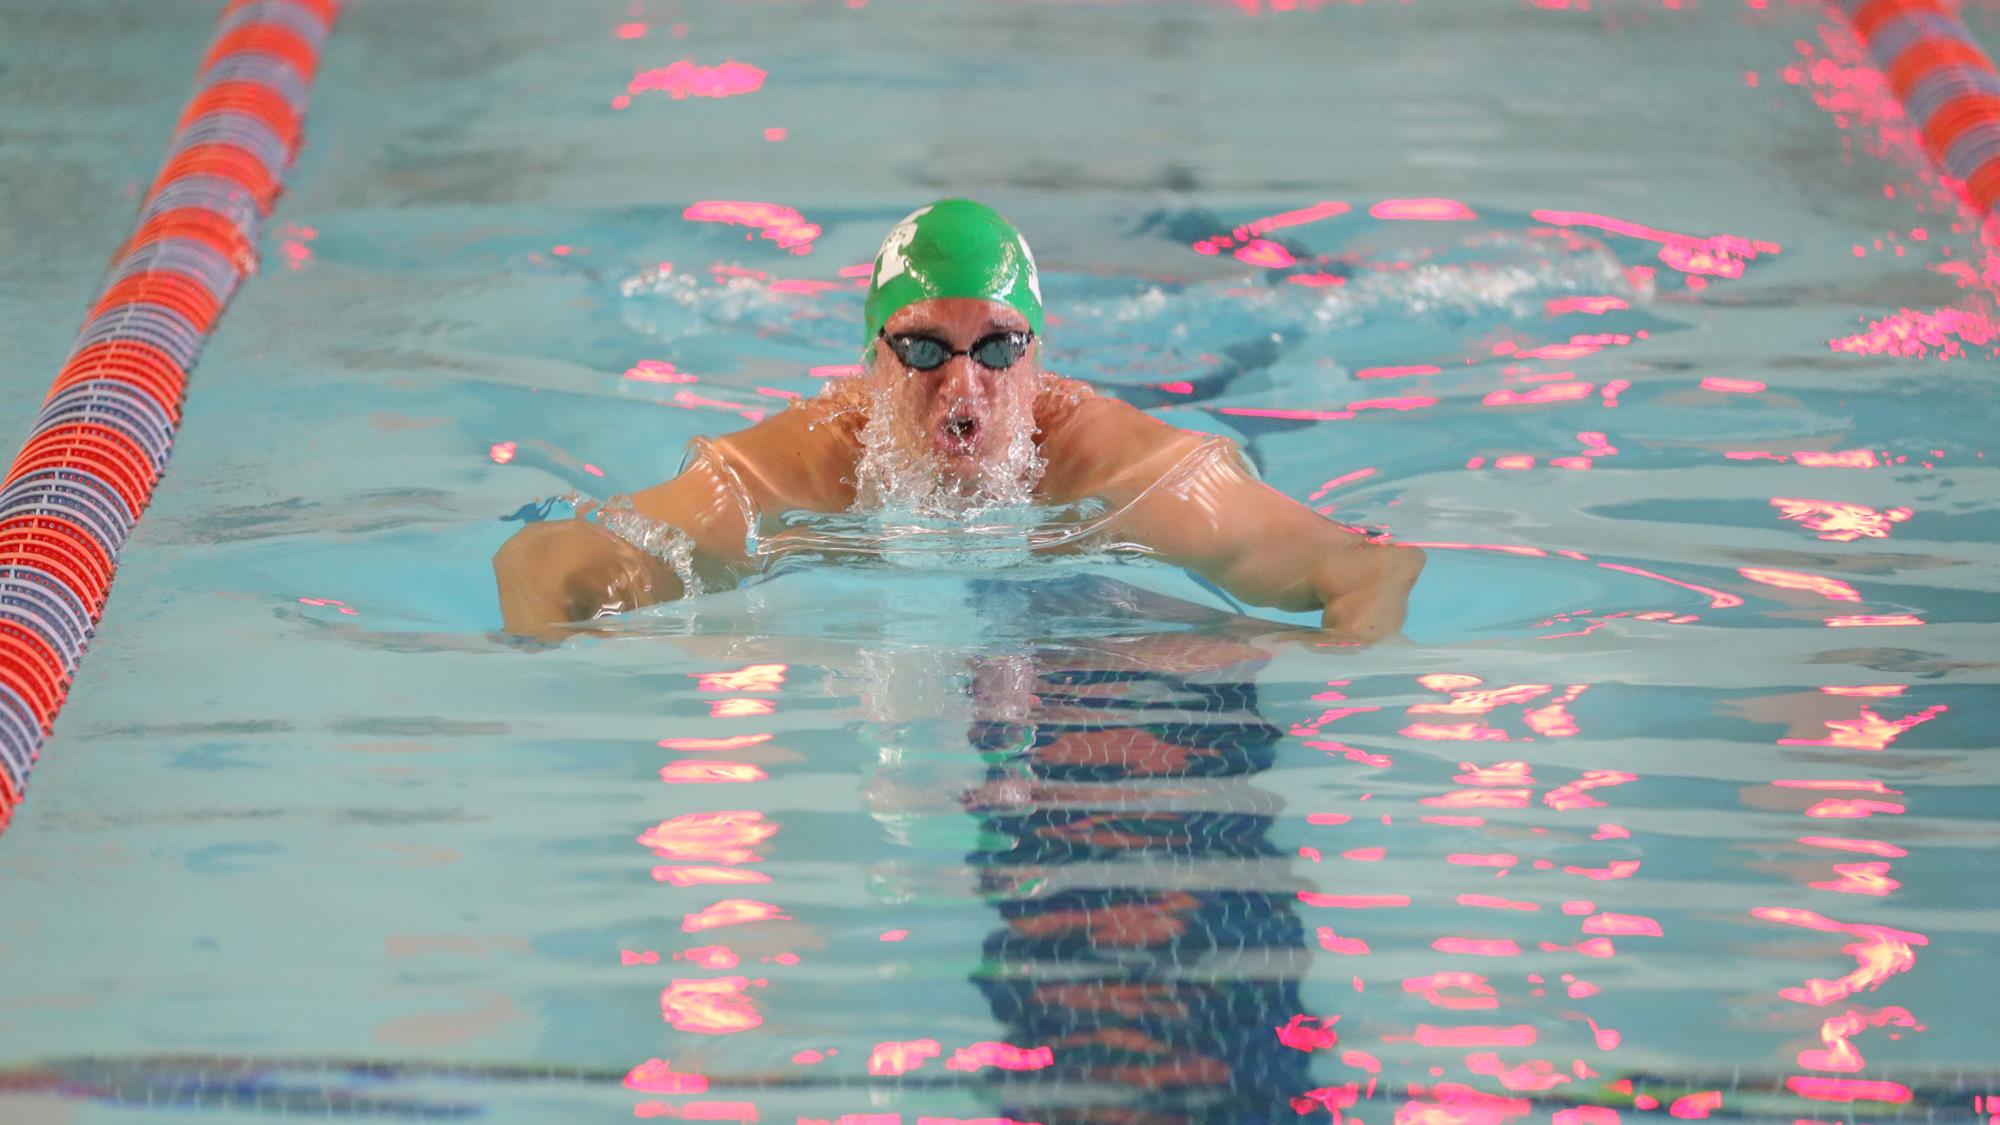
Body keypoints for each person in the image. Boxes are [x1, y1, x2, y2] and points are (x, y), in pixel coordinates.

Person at [493, 199, 1422, 640]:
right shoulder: (801, 466)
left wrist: (1337, 690)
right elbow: (539, 564)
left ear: (1038, 359)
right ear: (872, 363)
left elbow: (1367, 570)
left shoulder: (1120, 469)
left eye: (1000, 347)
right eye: (925, 349)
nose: (964, 385)